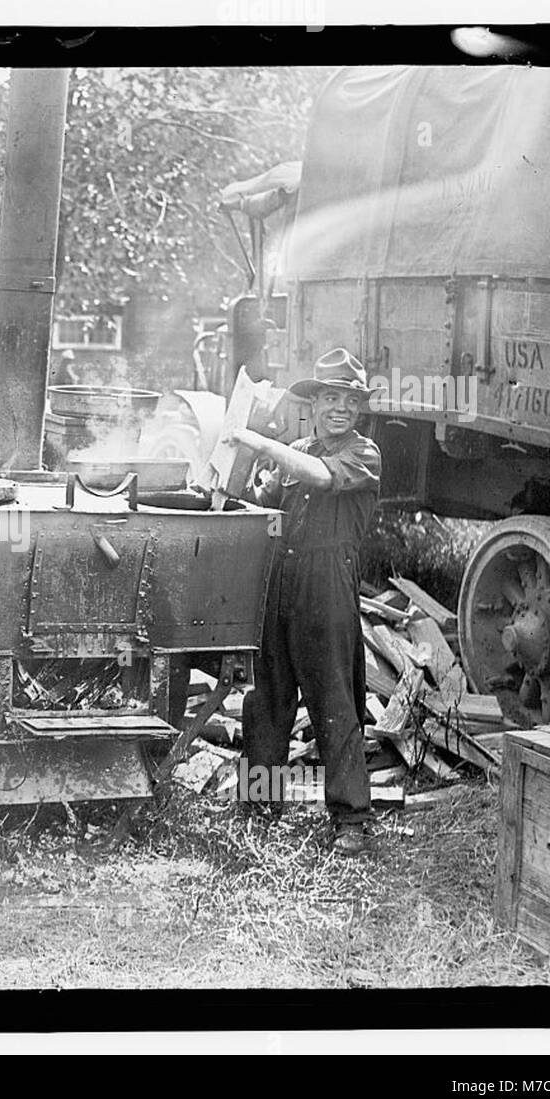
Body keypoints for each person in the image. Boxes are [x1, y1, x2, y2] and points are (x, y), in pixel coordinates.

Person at [227, 347, 384, 856]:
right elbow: (259, 503)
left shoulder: (364, 454)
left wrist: (260, 443)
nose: (339, 408)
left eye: (349, 401)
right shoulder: (297, 449)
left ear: (359, 410)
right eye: (330, 398)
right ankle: (260, 803)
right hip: (282, 581)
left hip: (328, 586)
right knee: (269, 696)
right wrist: (231, 466)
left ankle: (350, 818)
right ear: (314, 403)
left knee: (334, 699)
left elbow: (320, 474)